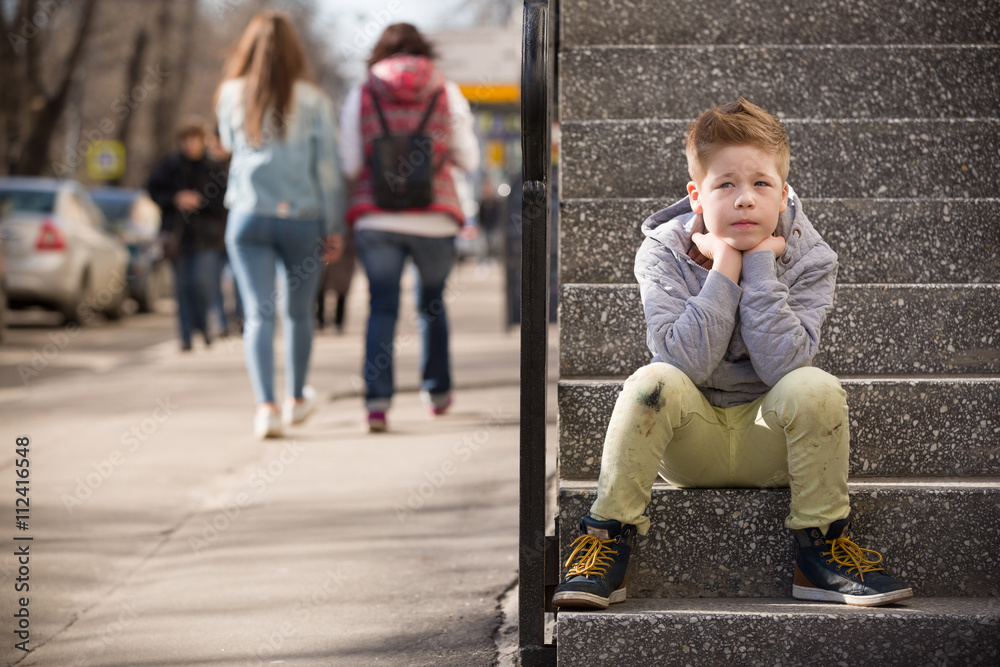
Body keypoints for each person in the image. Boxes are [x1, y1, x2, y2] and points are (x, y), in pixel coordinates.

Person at [552, 99, 913, 610]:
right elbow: (683, 362)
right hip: (690, 441)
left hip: (772, 442)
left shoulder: (812, 257)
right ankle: (606, 541)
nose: (745, 199)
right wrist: (724, 267)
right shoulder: (663, 251)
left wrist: (761, 268)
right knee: (650, 382)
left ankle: (820, 551)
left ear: (784, 191)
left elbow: (784, 366)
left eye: (761, 184)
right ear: (696, 195)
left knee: (817, 387)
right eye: (725, 185)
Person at [340, 23, 480, 433]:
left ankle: (377, 404)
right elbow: (468, 158)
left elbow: (349, 163)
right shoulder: (445, 90)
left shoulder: (361, 92)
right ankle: (436, 393)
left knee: (381, 306)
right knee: (431, 304)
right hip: (435, 217)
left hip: (376, 216)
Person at [215, 11, 344, 439]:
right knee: (298, 314)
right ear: (294, 50)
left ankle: (265, 406)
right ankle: (296, 400)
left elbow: (231, 146)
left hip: (248, 217)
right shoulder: (313, 99)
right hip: (301, 219)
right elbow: (326, 169)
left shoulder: (231, 93)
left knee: (257, 315)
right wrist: (334, 225)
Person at [147, 117, 228, 352]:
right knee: (182, 287)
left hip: (207, 237)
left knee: (201, 283)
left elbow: (224, 201)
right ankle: (185, 336)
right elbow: (153, 189)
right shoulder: (170, 165)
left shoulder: (213, 168)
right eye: (186, 140)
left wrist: (200, 201)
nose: (190, 145)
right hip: (177, 236)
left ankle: (204, 328)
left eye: (195, 140)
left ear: (203, 141)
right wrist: (175, 199)